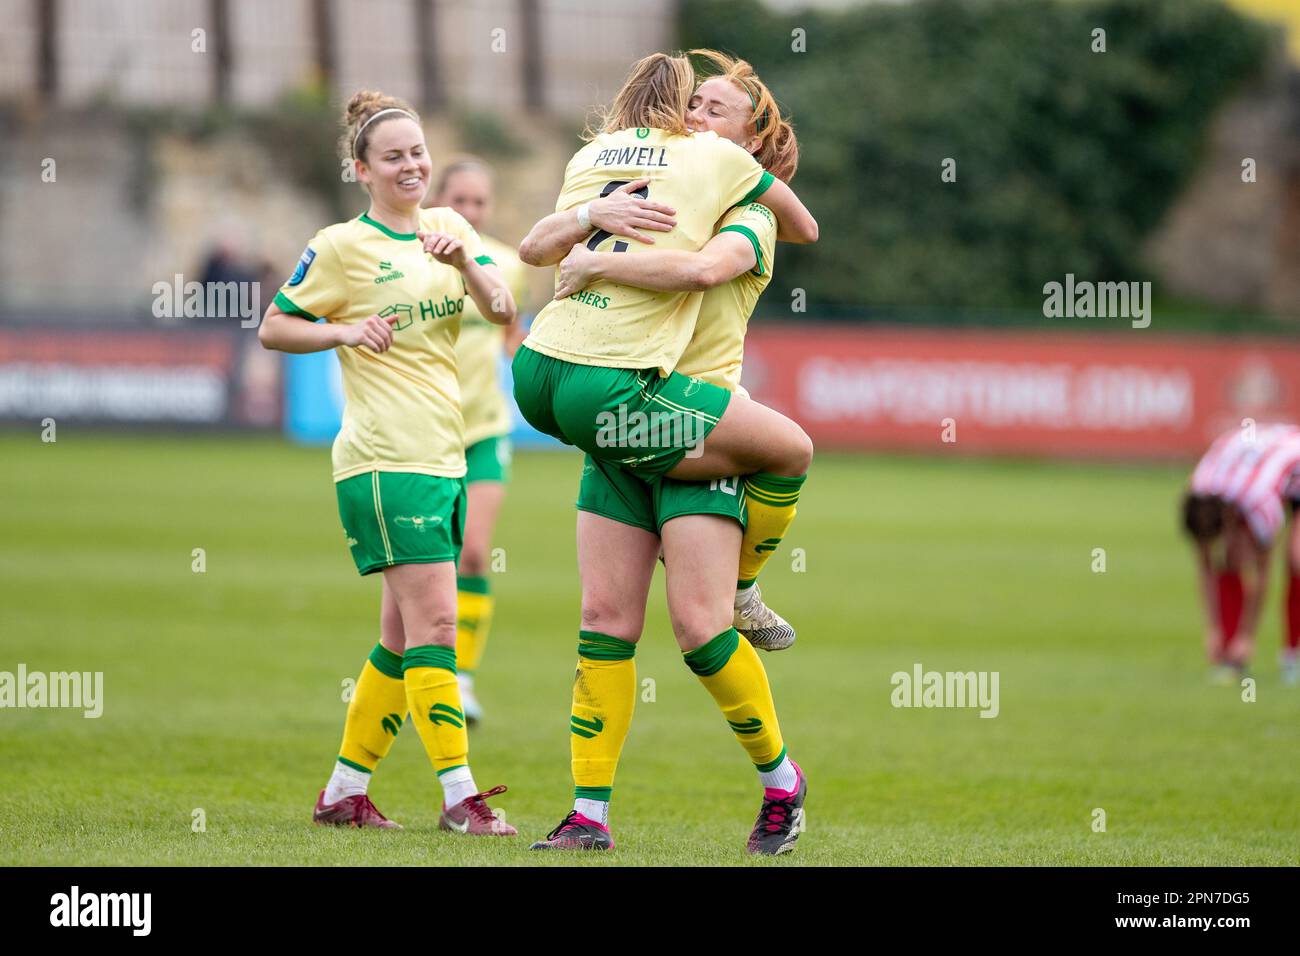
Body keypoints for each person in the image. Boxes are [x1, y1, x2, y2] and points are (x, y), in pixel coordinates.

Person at [522, 52, 811, 854]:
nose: (696, 117)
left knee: (698, 632)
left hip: (693, 430)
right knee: (602, 620)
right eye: (696, 103)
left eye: (716, 110)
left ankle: (782, 783)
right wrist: (590, 223)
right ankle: (588, 816)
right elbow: (541, 247)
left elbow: (702, 272)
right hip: (622, 408)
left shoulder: (745, 217)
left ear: (748, 144)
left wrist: (587, 255)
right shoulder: (657, 186)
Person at [258, 90, 518, 834]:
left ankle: (343, 793)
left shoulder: (448, 228)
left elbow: (501, 309)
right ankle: (461, 800)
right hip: (384, 459)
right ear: (362, 170)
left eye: (418, 152)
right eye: (394, 156)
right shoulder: (342, 245)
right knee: (438, 628)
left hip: (443, 454)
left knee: (401, 640)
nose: (411, 165)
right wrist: (340, 332)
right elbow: (274, 327)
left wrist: (466, 257)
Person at [426, 159, 531, 724]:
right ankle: (427, 670)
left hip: (485, 428)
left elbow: (511, 338)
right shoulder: (410, 262)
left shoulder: (506, 265)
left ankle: (462, 678)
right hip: (424, 435)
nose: (468, 211)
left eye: (479, 202)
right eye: (459, 200)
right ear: (438, 200)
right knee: (428, 561)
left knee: (471, 551)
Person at [1183, 422, 1300, 683]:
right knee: (1230, 560)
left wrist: (1247, 636)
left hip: (1294, 461)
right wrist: (1213, 629)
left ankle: (1293, 655)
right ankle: (1230, 658)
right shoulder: (1199, 495)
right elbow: (1206, 566)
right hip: (1256, 452)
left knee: (1296, 557)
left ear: (1230, 519)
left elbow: (1261, 572)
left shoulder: (1259, 502)